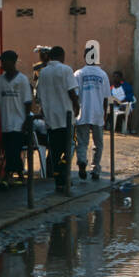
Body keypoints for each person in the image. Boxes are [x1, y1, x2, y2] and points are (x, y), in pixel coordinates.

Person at [0, 50, 33, 187]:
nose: (2, 64)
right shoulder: (1, 80)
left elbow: (27, 102)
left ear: (12, 62)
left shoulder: (22, 80)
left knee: (13, 149)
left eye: (4, 61)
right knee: (9, 148)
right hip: (6, 121)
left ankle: (8, 174)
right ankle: (19, 174)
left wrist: (26, 120)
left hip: (18, 121)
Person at [38, 46, 79, 191]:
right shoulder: (66, 69)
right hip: (65, 117)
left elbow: (40, 96)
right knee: (68, 148)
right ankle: (64, 176)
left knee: (55, 150)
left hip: (51, 118)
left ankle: (58, 180)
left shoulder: (43, 72)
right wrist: (77, 106)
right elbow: (72, 92)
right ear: (62, 56)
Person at [74, 49, 110, 180]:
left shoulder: (79, 73)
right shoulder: (103, 75)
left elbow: (74, 95)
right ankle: (95, 169)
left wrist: (75, 112)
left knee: (82, 142)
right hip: (97, 113)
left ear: (85, 57)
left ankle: (82, 162)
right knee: (98, 143)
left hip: (82, 112)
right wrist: (104, 114)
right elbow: (106, 98)